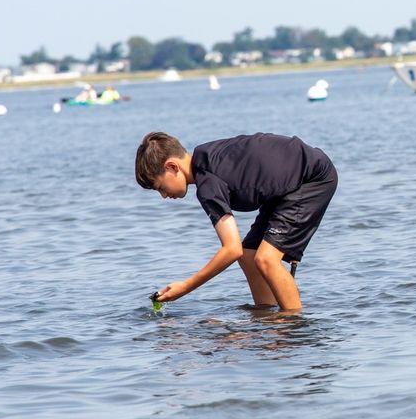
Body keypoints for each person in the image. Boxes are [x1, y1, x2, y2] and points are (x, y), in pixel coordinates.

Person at [135, 132, 338, 312]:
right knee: (249, 256)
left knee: (266, 259)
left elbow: (232, 249)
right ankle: (266, 316)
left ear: (172, 166)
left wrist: (186, 287)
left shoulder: (208, 185)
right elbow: (240, 252)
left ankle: (293, 326)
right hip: (286, 185)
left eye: (160, 187)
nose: (163, 195)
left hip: (311, 178)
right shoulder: (204, 157)